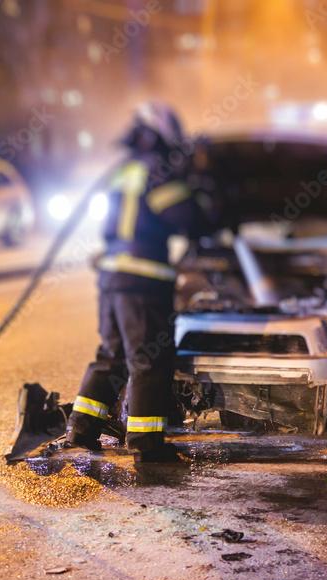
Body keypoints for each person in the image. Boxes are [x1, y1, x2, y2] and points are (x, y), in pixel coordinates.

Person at [63, 102, 208, 463]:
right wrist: (203, 197)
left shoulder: (124, 169)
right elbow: (187, 217)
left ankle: (80, 431)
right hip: (143, 280)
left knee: (112, 355)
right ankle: (146, 445)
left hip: (112, 277)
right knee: (148, 360)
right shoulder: (158, 171)